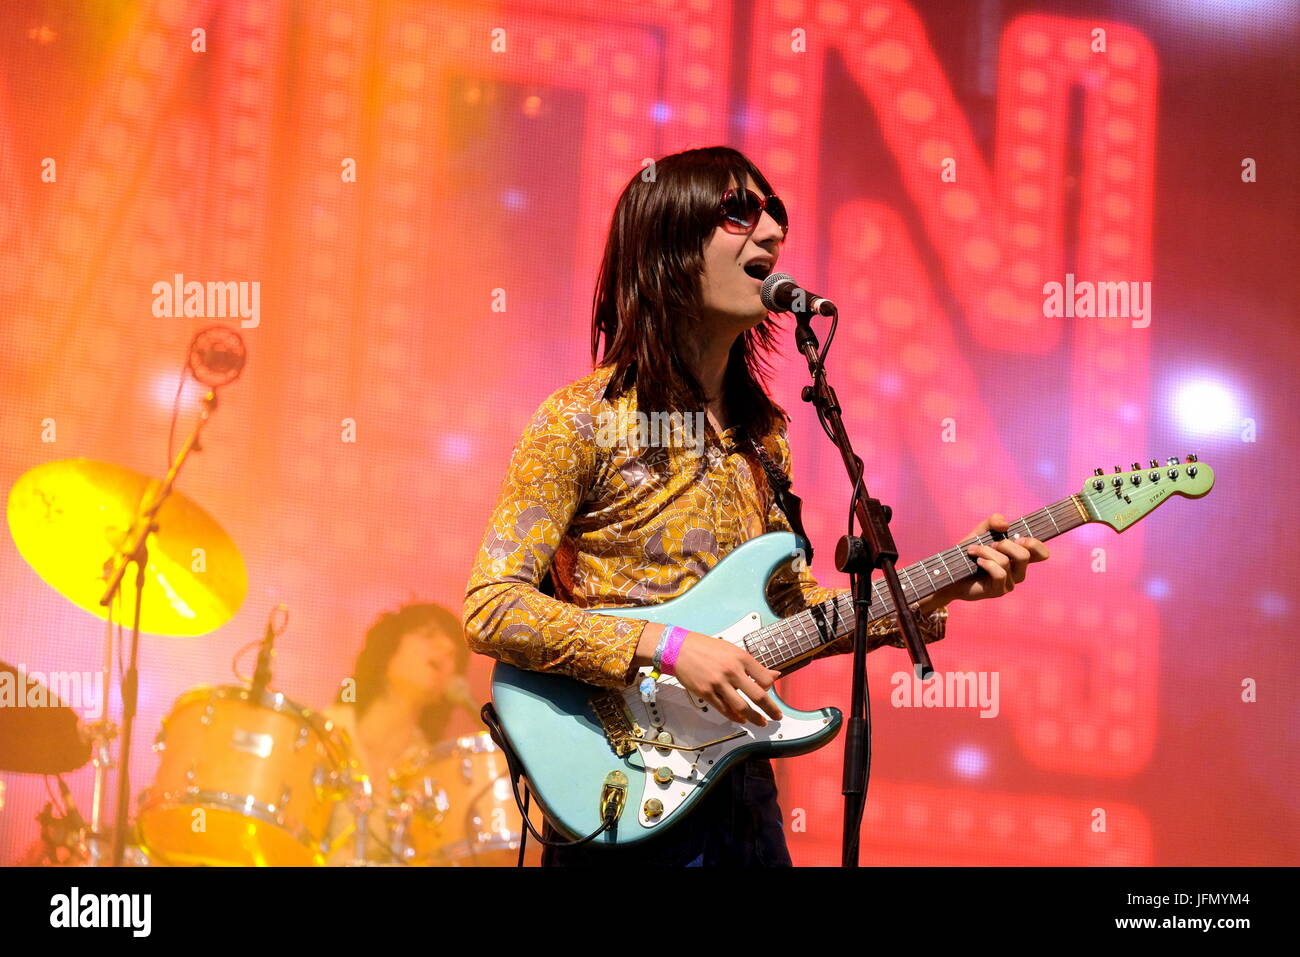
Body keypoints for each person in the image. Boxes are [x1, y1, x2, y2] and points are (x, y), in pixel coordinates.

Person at [461, 145, 1049, 867]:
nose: (772, 232)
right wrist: (671, 648)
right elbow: (491, 604)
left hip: (739, 792)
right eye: (741, 212)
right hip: (621, 784)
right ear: (669, 242)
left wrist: (948, 579)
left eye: (777, 216)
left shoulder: (764, 435)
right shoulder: (582, 418)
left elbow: (793, 610)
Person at [324, 601, 469, 864]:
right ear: (387, 649)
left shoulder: (431, 772)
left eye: (455, 651)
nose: (447, 649)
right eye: (428, 635)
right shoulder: (327, 732)